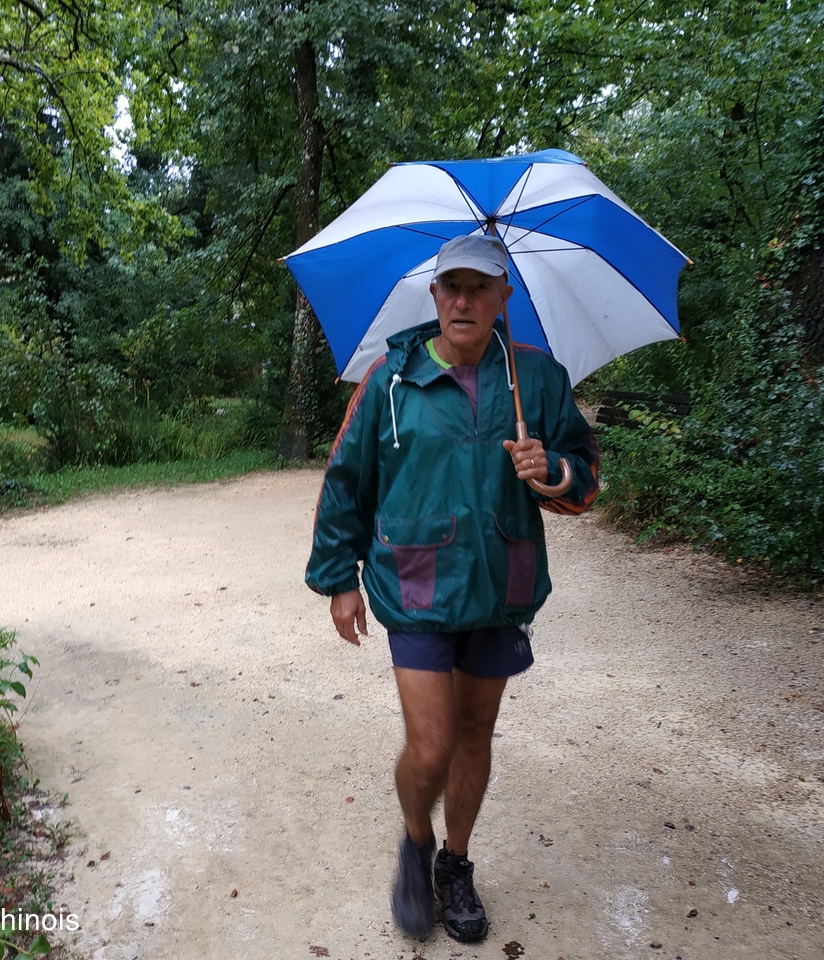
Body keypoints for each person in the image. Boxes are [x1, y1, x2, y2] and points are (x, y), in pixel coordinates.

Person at [304, 234, 599, 942]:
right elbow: (347, 479)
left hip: (501, 583)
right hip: (416, 583)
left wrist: (551, 470)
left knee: (475, 732)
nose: (463, 299)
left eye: (480, 287)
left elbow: (583, 478)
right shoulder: (392, 380)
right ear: (433, 296)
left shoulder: (538, 380)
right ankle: (415, 841)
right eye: (451, 287)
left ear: (504, 298)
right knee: (431, 746)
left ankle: (455, 864)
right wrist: (338, 577)